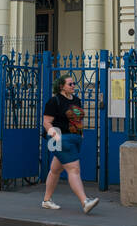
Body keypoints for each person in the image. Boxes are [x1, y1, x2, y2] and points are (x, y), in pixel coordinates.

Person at [41, 74, 99, 213]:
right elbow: (46, 122)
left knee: (55, 170)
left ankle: (47, 200)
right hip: (60, 139)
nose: (73, 86)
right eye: (70, 84)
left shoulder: (77, 100)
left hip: (74, 139)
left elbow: (77, 119)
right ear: (61, 86)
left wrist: (81, 133)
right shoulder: (54, 101)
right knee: (74, 169)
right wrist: (56, 137)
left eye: (73, 83)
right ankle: (85, 201)